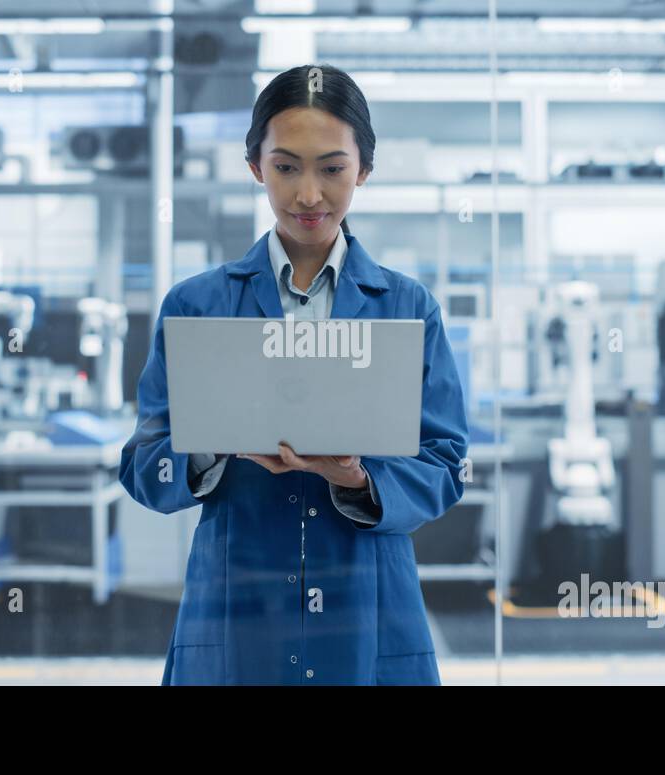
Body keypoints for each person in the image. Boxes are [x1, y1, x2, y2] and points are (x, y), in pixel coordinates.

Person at [119, 63, 469, 685]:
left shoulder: (407, 308)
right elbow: (146, 466)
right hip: (237, 604)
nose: (309, 194)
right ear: (255, 167)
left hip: (367, 604)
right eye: (286, 167)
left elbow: (445, 464)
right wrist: (214, 443)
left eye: (332, 169)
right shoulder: (196, 306)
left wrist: (359, 478)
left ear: (363, 169)